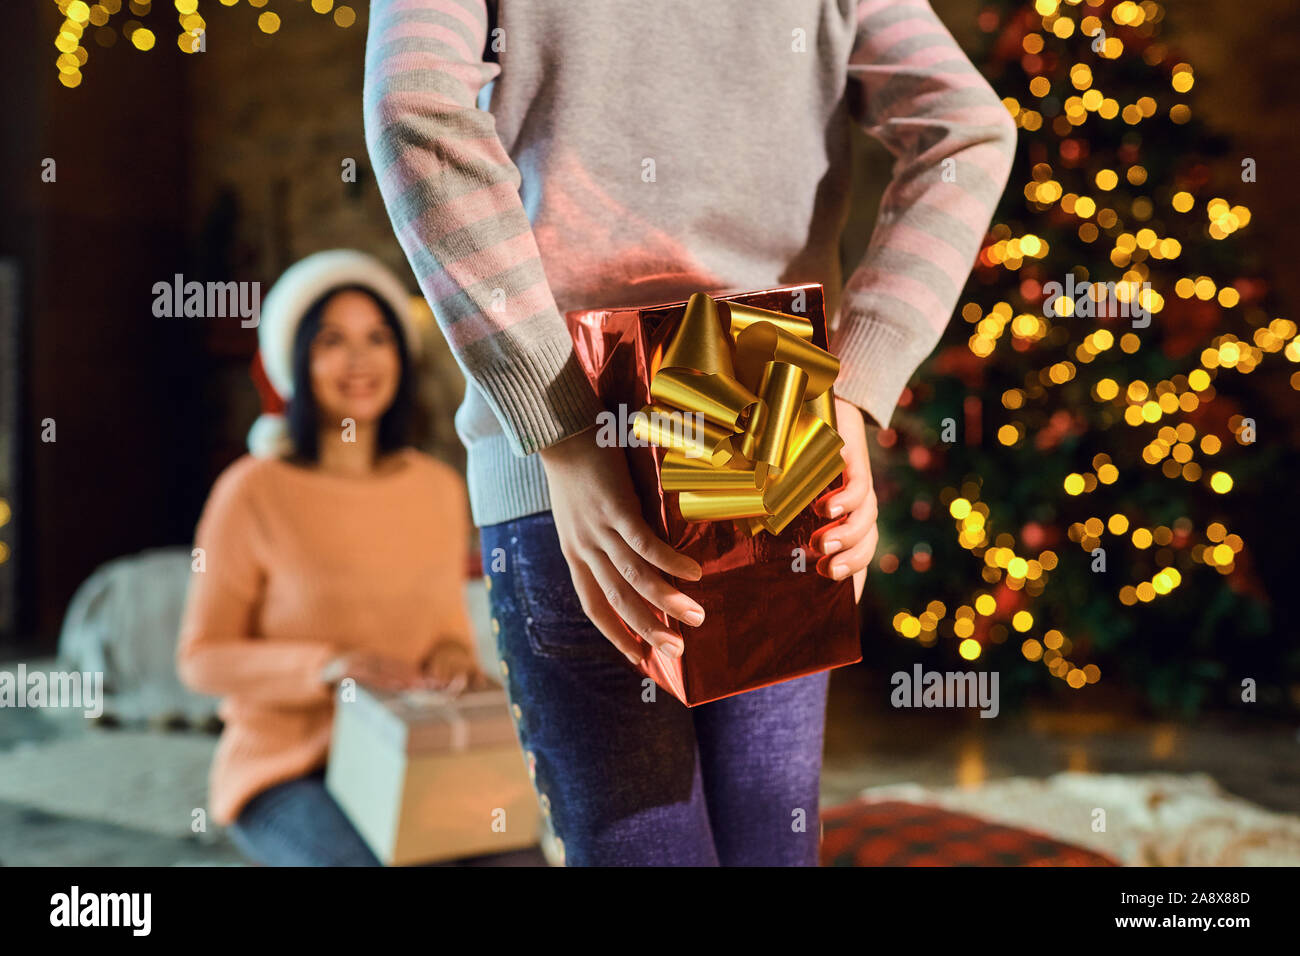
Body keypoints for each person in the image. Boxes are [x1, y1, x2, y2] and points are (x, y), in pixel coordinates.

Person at [363, 0, 1016, 864]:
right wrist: (852, 387)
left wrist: (560, 423)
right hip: (774, 429)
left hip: (579, 475)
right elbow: (968, 133)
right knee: (771, 848)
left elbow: (415, 100)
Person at [176, 250, 485, 866]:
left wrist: (453, 656)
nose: (359, 360)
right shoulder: (252, 490)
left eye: (377, 338)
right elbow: (201, 660)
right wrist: (328, 667)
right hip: (288, 771)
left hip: (410, 754)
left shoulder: (439, 488)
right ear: (297, 360)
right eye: (331, 341)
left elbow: (447, 630)